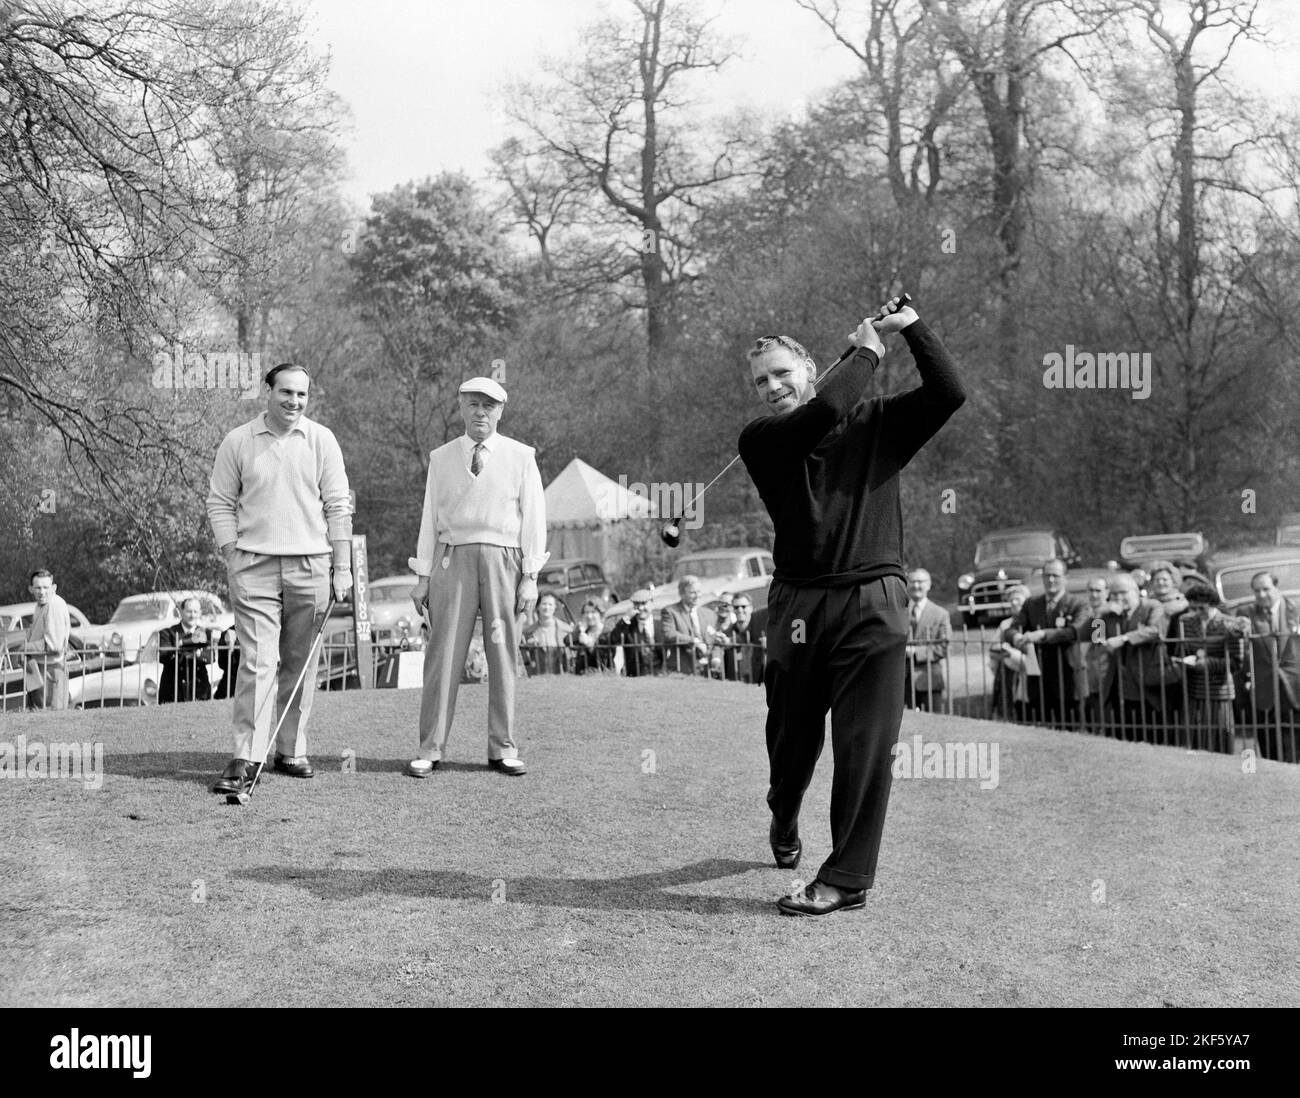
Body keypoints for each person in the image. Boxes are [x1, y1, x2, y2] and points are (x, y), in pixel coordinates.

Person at [738, 296, 964, 917]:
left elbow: (949, 392)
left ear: (811, 369)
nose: (772, 387)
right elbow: (826, 411)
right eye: (761, 380)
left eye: (783, 373)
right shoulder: (762, 438)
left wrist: (912, 327)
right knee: (790, 739)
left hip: (874, 600)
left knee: (865, 744)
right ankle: (784, 812)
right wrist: (868, 347)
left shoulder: (880, 422)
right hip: (799, 604)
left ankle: (846, 876)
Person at [207, 362, 353, 795]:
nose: (294, 402)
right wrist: (233, 555)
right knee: (257, 661)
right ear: (266, 391)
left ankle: (290, 748)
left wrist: (342, 568)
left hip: (311, 565)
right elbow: (219, 503)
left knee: (300, 663)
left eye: (302, 395)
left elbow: (338, 507)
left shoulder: (322, 440)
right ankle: (247, 756)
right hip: (253, 567)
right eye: (286, 392)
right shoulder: (238, 441)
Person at [406, 376, 547, 778]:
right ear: (461, 407)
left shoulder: (521, 456)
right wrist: (422, 575)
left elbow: (534, 518)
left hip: (505, 561)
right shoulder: (441, 457)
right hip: (453, 560)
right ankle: (430, 748)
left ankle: (502, 748)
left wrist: (531, 575)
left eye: (489, 405)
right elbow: (429, 520)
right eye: (473, 404)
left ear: (501, 410)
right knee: (443, 652)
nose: (480, 412)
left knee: (502, 653)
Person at [1007, 559, 1088, 728]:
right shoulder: (1031, 604)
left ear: (1065, 577)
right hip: (1037, 676)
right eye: (1047, 575)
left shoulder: (1078, 604)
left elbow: (1075, 631)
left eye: (1055, 575)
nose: (1050, 580)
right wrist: (1016, 637)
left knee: (1067, 727)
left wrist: (1043, 635)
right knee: (1039, 727)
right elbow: (1013, 628)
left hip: (1066, 676)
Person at [1170, 581, 1249, 754]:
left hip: (1218, 692)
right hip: (1193, 691)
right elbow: (1180, 649)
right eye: (1193, 608)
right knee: (1194, 741)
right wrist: (1183, 660)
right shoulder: (1185, 621)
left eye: (1202, 609)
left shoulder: (1230, 623)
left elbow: (1236, 663)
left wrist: (1207, 664)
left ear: (1213, 605)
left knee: (1219, 739)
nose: (1197, 613)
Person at [1097, 573, 1166, 741]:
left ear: (1135, 591)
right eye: (1114, 594)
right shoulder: (1109, 614)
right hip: (1120, 684)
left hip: (1146, 680)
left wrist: (1124, 639)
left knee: (1151, 734)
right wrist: (1098, 613)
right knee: (1125, 733)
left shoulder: (1152, 606)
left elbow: (1156, 630)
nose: (1118, 598)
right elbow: (1095, 638)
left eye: (1123, 592)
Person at [1244, 571, 1299, 762]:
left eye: (1266, 589)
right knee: (1270, 749)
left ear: (1276, 587)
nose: (1261, 595)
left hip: (1295, 686)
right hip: (1264, 689)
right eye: (1256, 591)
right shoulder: (1247, 614)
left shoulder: (1296, 608)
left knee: (1294, 744)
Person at [904, 568, 950, 712]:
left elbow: (944, 647)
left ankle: (927, 737)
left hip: (930, 680)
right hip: (903, 681)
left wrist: (915, 652)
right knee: (911, 726)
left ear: (929, 585)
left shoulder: (941, 614)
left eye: (920, 582)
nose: (916, 585)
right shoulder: (899, 612)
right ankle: (916, 737)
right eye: (912, 581)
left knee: (932, 723)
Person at [23, 569, 71, 711]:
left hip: (52, 671)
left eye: (46, 587)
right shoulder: (41, 605)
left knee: (50, 722)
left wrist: (25, 648)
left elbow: (54, 645)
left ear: (54, 588)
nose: (42, 592)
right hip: (40, 670)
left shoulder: (54, 605)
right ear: (31, 589)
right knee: (36, 721)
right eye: (38, 588)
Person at [157, 596, 219, 704]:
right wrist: (181, 649)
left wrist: (199, 655)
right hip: (173, 690)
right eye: (189, 611)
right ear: (181, 612)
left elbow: (211, 657)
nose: (192, 615)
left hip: (199, 689)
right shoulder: (167, 633)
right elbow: (163, 656)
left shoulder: (206, 632)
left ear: (200, 613)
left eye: (195, 611)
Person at [989, 584, 1030, 721]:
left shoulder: (1032, 621)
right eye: (1011, 600)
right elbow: (993, 648)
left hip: (1028, 672)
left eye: (1017, 599)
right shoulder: (1005, 624)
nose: (1013, 602)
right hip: (1007, 672)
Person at [1078, 576, 1111, 731]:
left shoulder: (1106, 615)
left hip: (1104, 676)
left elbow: (1099, 644)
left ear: (1107, 592)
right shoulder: (1090, 615)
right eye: (1091, 590)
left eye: (1098, 590)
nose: (1094, 595)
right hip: (1090, 677)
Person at [659, 575, 709, 675]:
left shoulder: (707, 613)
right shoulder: (670, 611)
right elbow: (669, 634)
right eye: (693, 593)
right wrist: (694, 641)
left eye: (699, 592)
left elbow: (712, 636)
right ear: (681, 594)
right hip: (682, 668)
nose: (697, 595)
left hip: (706, 669)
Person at [609, 589, 660, 677]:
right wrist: (625, 618)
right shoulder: (628, 626)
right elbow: (613, 639)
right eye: (636, 604)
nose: (640, 608)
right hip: (634, 676)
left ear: (652, 604)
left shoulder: (660, 624)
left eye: (644, 603)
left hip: (659, 675)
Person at [522, 592, 573, 675]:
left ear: (555, 607)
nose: (547, 607)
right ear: (538, 606)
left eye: (550, 604)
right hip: (538, 678)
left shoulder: (566, 630)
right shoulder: (528, 632)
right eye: (544, 604)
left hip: (562, 677)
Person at [720, 593, 765, 684]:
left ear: (751, 608)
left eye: (743, 606)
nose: (740, 610)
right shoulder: (727, 632)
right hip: (735, 682)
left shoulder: (761, 628)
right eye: (736, 607)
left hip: (759, 681)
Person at [572, 598, 614, 674]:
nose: (589, 616)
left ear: (600, 614)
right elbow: (568, 641)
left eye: (593, 612)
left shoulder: (607, 632)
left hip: (602, 677)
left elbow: (604, 660)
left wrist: (590, 645)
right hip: (581, 676)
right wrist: (580, 629)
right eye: (586, 612)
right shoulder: (584, 630)